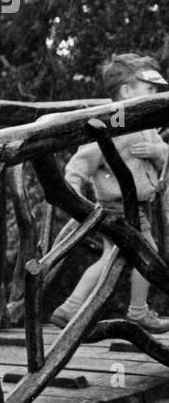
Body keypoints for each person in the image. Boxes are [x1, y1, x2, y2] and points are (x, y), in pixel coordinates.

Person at [52, 53, 169, 333]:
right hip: (119, 208)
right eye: (149, 89)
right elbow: (83, 159)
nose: (155, 94)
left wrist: (156, 150)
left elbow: (166, 154)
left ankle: (71, 306)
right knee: (147, 255)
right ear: (127, 91)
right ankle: (138, 311)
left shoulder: (145, 126)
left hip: (130, 208)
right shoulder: (115, 124)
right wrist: (72, 188)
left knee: (111, 258)